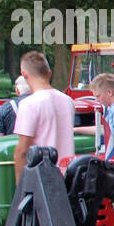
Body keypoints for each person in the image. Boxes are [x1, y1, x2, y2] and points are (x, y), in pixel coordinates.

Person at [13, 51, 75, 179]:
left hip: (42, 178)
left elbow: (22, 151)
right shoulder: (68, 101)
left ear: (24, 74)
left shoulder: (29, 104)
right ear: (49, 73)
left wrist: (20, 187)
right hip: (68, 175)